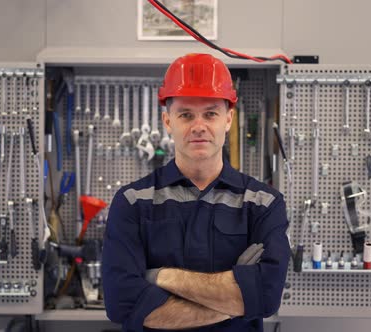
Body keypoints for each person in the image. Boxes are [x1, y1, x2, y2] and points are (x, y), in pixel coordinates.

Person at [101, 53, 291, 331]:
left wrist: (162, 277)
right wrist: (236, 298)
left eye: (211, 113)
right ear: (168, 122)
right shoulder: (132, 202)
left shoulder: (263, 203)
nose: (199, 126)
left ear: (228, 119)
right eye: (186, 114)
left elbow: (266, 296)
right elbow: (122, 304)